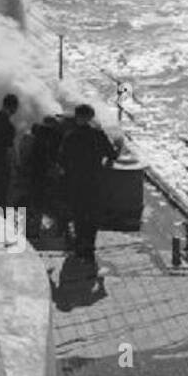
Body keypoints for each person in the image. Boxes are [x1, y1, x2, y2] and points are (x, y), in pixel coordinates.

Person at [58, 104, 119, 261]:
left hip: (76, 182)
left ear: (77, 118)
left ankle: (80, 248)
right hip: (94, 182)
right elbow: (112, 154)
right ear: (91, 117)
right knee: (92, 216)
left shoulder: (70, 137)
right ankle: (90, 247)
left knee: (78, 216)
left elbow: (62, 160)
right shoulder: (98, 135)